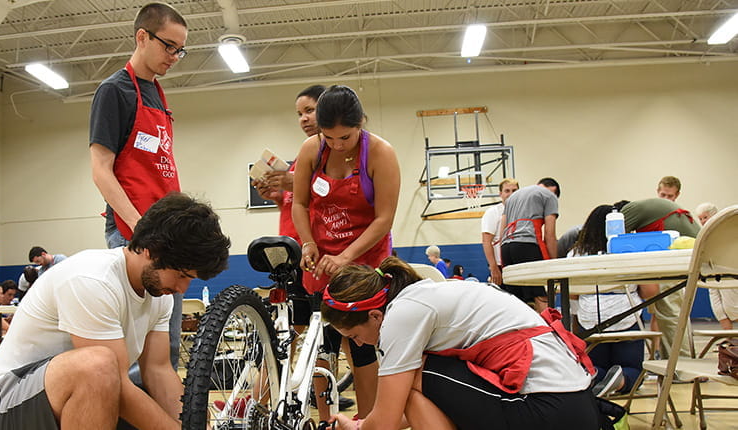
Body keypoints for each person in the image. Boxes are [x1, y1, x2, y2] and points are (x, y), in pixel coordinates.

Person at [0, 193, 230, 430]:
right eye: (181, 275)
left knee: (187, 415)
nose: (181, 288)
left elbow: (159, 371)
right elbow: (114, 386)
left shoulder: (160, 293)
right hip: (4, 403)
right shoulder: (92, 278)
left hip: (76, 399)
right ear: (152, 249)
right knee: (98, 366)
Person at [322, 257, 599, 430]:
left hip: (549, 410)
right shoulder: (426, 295)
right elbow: (423, 406)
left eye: (354, 337)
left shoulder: (402, 314)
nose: (359, 345)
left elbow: (385, 422)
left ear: (374, 315)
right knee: (410, 386)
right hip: (573, 408)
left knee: (412, 378)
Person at [292, 84, 401, 424]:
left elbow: (384, 219)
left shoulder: (381, 153)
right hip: (322, 262)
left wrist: (347, 257)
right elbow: (299, 203)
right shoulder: (312, 149)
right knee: (322, 346)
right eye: (330, 138)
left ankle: (366, 421)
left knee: (361, 347)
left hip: (366, 266)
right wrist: (308, 242)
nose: (337, 145)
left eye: (346, 138)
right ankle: (327, 420)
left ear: (361, 124)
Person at [89, 2, 188, 370]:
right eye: (169, 46)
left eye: (180, 50)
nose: (175, 57)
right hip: (133, 234)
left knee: (167, 348)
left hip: (167, 234)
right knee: (135, 352)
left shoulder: (158, 95)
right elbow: (101, 170)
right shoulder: (114, 91)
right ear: (142, 37)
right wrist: (140, 228)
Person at [252, 84, 355, 412]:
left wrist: (294, 184)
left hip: (324, 253)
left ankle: (326, 413)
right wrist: (277, 193)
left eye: (310, 111)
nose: (304, 119)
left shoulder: (332, 157)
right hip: (294, 250)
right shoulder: (303, 157)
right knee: (289, 338)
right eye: (299, 113)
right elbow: (296, 205)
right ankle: (258, 406)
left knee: (326, 339)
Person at [568, 204, 658, 398]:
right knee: (634, 370)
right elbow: (651, 291)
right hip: (627, 318)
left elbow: (572, 294)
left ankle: (596, 376)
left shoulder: (575, 255)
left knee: (595, 365)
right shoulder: (632, 252)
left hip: (590, 321)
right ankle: (622, 379)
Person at [622, 196, 699, 358]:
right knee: (666, 312)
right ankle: (669, 361)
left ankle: (680, 364)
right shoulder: (652, 210)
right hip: (692, 250)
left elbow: (615, 239)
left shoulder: (627, 212)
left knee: (669, 312)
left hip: (678, 256)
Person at [499, 178, 560, 312]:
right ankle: (550, 331)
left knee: (517, 300)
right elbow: (550, 234)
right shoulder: (550, 196)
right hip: (527, 245)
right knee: (541, 296)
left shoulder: (513, 198)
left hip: (506, 247)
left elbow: (502, 230)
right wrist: (555, 265)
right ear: (554, 191)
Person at [695, 203, 737, 329]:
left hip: (729, 271)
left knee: (731, 304)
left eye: (705, 217)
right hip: (711, 272)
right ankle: (729, 339)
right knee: (718, 305)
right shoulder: (703, 235)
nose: (703, 221)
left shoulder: (727, 231)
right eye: (700, 218)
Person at [480, 178, 518, 284]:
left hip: (517, 263)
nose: (511, 194)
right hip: (500, 264)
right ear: (500, 194)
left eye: (514, 191)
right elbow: (486, 241)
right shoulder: (493, 212)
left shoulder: (523, 211)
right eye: (507, 191)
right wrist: (494, 268)